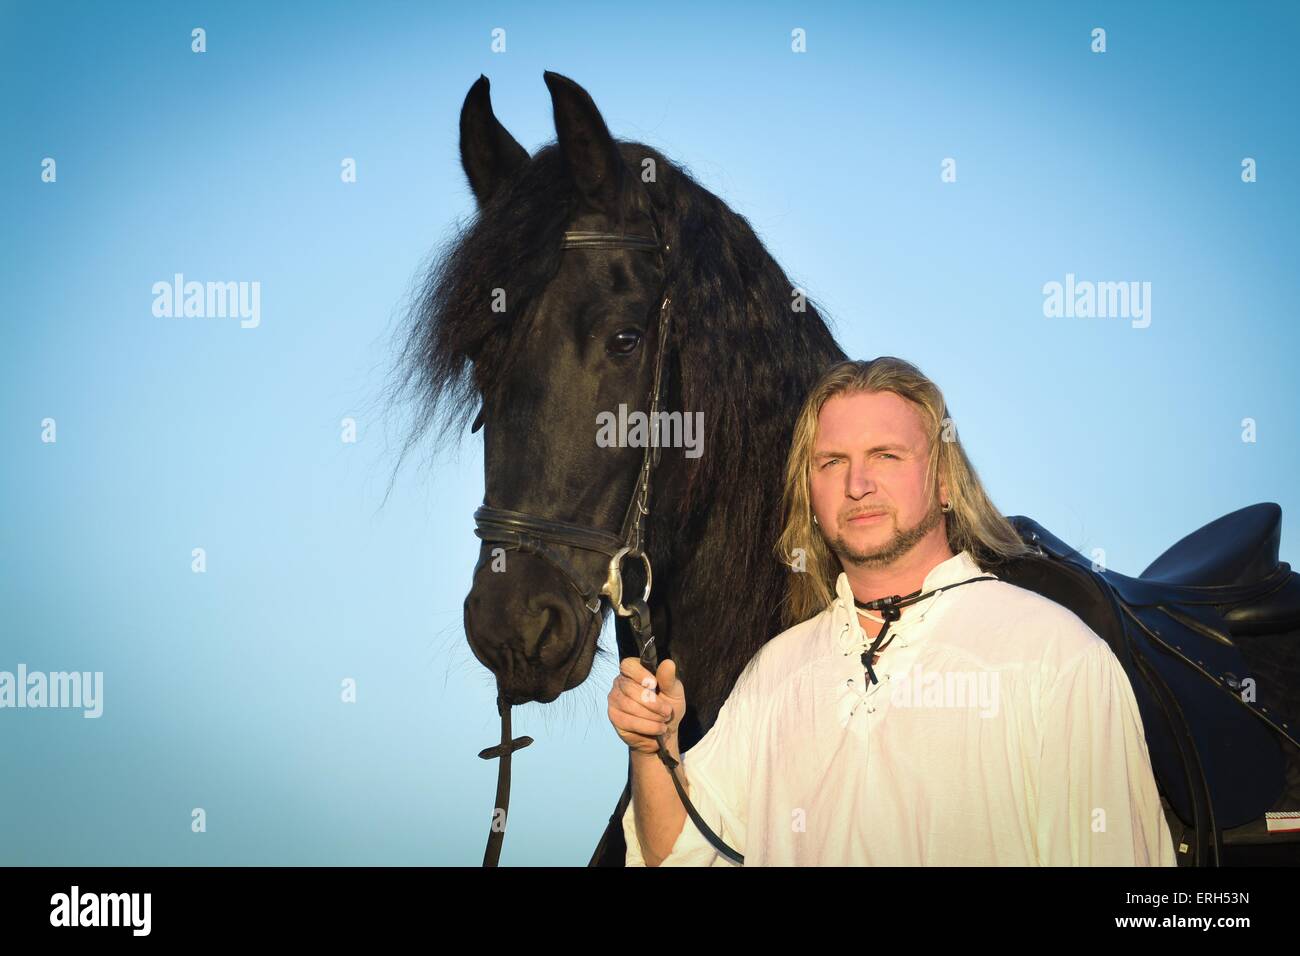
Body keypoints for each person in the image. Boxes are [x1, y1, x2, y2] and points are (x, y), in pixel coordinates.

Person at [608, 357, 1178, 866]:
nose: (858, 484)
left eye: (886, 455)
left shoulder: (1053, 656)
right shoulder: (774, 674)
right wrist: (652, 748)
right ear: (809, 491)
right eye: (832, 462)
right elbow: (674, 854)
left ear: (947, 482)